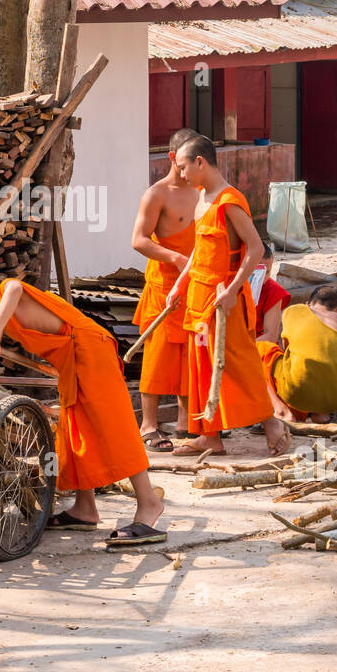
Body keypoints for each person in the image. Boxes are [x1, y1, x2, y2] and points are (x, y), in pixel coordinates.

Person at [0, 255, 166, 547]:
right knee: (74, 432)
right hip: (71, 363)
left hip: (91, 350)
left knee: (113, 426)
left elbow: (14, 290)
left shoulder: (9, 290)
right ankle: (85, 509)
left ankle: (149, 503)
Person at [166, 135, 291, 457]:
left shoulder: (228, 201)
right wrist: (180, 285)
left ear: (200, 162)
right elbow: (199, 251)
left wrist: (234, 290)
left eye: (182, 167)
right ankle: (210, 435)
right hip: (199, 296)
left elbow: (256, 248)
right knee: (202, 364)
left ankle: (271, 422)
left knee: (239, 363)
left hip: (226, 298)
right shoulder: (202, 198)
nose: (179, 174)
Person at [130, 127, 200, 452]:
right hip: (165, 284)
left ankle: (187, 422)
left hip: (195, 284)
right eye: (185, 161)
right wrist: (174, 256)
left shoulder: (203, 190)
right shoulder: (156, 193)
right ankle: (149, 425)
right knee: (158, 356)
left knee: (192, 353)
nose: (190, 169)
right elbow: (139, 240)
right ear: (172, 157)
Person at [260, 284, 337, 423]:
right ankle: (321, 414)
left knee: (261, 348)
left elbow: (289, 353)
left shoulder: (294, 311)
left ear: (308, 304)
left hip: (295, 394)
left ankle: (281, 410)